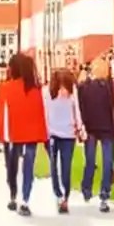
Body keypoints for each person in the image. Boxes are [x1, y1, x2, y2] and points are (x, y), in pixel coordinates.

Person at [0, 53, 48, 217]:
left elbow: (2, 114)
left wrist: (2, 135)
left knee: (12, 167)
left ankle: (13, 196)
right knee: (28, 168)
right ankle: (25, 200)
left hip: (13, 135)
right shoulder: (35, 90)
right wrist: (42, 136)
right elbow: (40, 114)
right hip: (30, 136)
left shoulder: (6, 88)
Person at [77, 58, 114, 213]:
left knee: (104, 162)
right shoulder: (86, 86)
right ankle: (90, 189)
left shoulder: (109, 86)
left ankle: (100, 193)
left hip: (104, 129)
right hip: (93, 129)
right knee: (94, 161)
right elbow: (79, 106)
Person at [43, 69, 82, 214]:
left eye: (67, 86)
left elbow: (77, 110)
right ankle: (58, 195)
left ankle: (65, 196)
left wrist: (79, 127)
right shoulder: (47, 93)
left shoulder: (73, 92)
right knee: (54, 167)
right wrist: (46, 134)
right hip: (52, 135)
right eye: (62, 86)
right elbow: (44, 114)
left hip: (68, 135)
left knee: (66, 168)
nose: (65, 90)